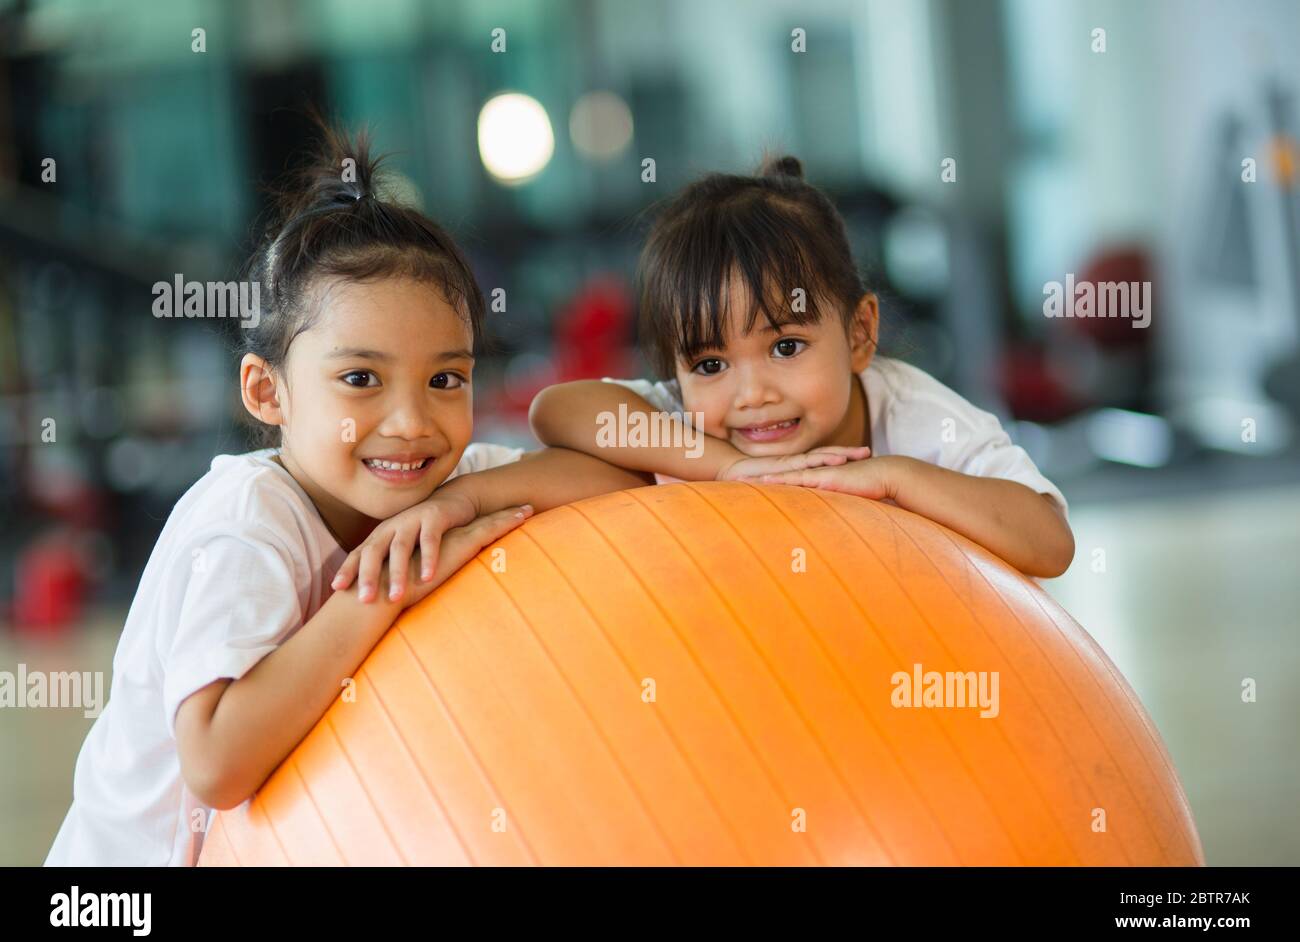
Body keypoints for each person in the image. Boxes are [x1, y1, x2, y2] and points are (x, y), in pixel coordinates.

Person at [45, 122, 645, 866]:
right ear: (268, 391)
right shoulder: (246, 525)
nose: (411, 422)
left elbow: (620, 481)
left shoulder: (434, 479)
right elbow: (217, 763)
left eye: (446, 380)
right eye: (361, 379)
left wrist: (461, 503)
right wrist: (383, 590)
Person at [527, 155, 1074, 579]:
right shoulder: (697, 424)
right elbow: (556, 411)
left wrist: (892, 477)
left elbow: (1050, 541)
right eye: (711, 362)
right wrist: (721, 465)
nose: (752, 394)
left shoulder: (918, 418)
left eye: (785, 348)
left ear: (860, 334)